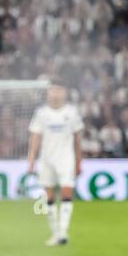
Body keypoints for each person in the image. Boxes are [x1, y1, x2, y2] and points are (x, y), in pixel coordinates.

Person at [27, 76, 84, 246]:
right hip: (46, 159)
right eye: (53, 90)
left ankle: (63, 233)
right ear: (48, 92)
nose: (56, 93)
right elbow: (35, 137)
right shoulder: (42, 113)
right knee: (49, 196)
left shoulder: (71, 112)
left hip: (66, 159)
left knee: (67, 193)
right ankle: (56, 233)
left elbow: (77, 139)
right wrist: (31, 160)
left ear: (65, 92)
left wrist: (79, 161)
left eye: (59, 90)